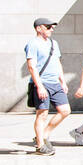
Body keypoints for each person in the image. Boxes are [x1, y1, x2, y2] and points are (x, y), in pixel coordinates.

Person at [24, 17, 70, 156]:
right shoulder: (32, 44)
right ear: (39, 28)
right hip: (42, 83)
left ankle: (43, 135)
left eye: (52, 27)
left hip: (55, 83)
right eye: (48, 27)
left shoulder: (53, 43)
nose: (52, 29)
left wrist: (62, 81)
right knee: (42, 114)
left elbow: (57, 62)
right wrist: (39, 86)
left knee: (65, 110)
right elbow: (31, 67)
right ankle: (40, 146)